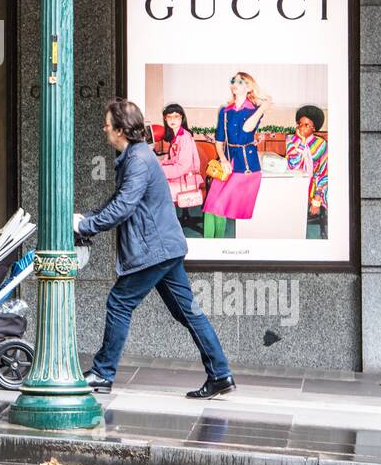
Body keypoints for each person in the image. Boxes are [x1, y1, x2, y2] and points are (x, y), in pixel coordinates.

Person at [75, 98, 234, 399]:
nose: (104, 128)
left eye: (108, 124)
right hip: (165, 247)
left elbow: (124, 206)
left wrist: (85, 227)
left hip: (154, 249)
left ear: (120, 129)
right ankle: (220, 374)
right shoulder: (137, 156)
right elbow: (120, 200)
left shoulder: (137, 159)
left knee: (120, 302)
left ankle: (102, 373)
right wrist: (90, 218)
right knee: (188, 312)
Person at [202, 71, 271, 239]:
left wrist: (263, 107)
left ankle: (217, 244)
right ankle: (210, 245)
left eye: (240, 82)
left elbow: (246, 130)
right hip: (227, 161)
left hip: (246, 166)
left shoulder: (253, 110)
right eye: (233, 81)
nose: (234, 83)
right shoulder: (225, 111)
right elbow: (219, 140)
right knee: (211, 204)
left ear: (249, 88)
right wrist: (224, 159)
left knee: (219, 205)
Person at [158, 103, 203, 233]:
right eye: (169, 117)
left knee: (155, 190)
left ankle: (167, 228)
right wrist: (163, 162)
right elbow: (176, 159)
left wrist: (159, 171)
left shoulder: (185, 137)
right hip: (181, 179)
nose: (172, 120)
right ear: (165, 119)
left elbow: (183, 166)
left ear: (182, 118)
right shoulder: (176, 136)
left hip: (188, 181)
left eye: (176, 117)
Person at [286, 104, 329, 239]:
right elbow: (293, 164)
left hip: (315, 184)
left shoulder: (320, 144)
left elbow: (324, 171)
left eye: (306, 125)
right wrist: (302, 142)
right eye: (300, 123)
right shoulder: (290, 140)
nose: (301, 127)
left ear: (314, 128)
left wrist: (316, 199)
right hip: (293, 182)